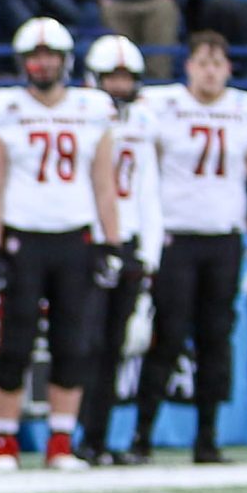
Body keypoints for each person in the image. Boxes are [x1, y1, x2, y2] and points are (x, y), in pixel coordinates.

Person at [0, 18, 120, 470]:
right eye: (35, 57)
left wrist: (112, 243)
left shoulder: (92, 108)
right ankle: (5, 442)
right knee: (14, 342)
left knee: (71, 343)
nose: (42, 65)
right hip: (22, 237)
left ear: (65, 60)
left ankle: (60, 442)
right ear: (22, 63)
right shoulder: (4, 108)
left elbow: (104, 185)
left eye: (49, 57)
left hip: (75, 237)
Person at [128, 29, 247, 465]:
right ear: (187, 66)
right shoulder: (160, 106)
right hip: (175, 238)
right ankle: (142, 436)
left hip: (224, 240)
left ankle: (207, 439)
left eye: (217, 62)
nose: (210, 71)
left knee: (216, 341)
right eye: (202, 62)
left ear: (229, 68)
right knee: (167, 338)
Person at [76, 36, 165, 467]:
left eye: (125, 77)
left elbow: (148, 189)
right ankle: (66, 438)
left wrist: (150, 251)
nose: (118, 85)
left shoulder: (143, 122)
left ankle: (95, 437)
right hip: (86, 240)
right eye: (111, 76)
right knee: (81, 344)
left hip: (127, 240)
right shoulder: (75, 116)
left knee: (113, 348)